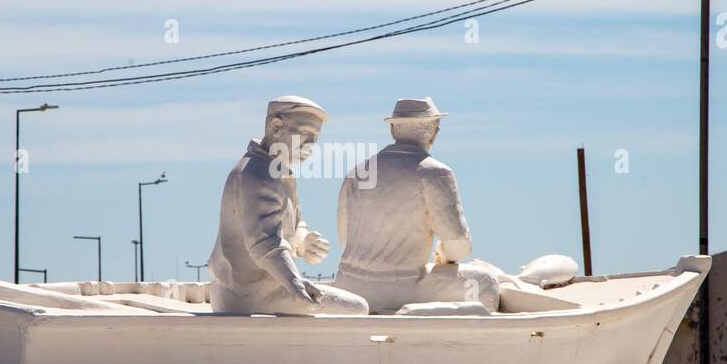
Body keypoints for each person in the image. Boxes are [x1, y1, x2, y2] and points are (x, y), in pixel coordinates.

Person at [333, 97, 509, 312]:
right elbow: (458, 246)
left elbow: (344, 240)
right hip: (400, 288)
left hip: (348, 286)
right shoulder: (434, 172)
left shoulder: (358, 172)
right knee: (484, 282)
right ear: (434, 130)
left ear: (393, 131)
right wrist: (445, 253)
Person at [209, 96, 368, 316]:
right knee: (357, 308)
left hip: (252, 290)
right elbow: (265, 243)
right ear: (276, 127)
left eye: (316, 137)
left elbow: (290, 223)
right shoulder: (257, 175)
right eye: (304, 134)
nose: (312, 144)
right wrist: (295, 285)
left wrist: (303, 241)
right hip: (248, 295)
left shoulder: (276, 171)